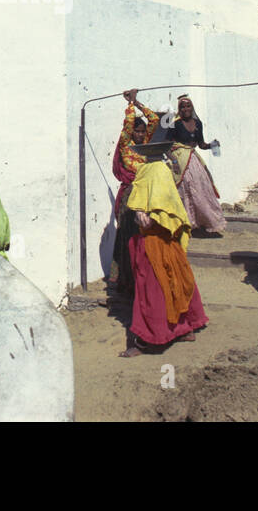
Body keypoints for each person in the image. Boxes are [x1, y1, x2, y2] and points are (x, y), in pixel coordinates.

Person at [120, 154, 208, 357]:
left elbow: (146, 223)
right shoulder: (168, 189)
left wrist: (139, 213)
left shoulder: (151, 181)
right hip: (171, 248)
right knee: (177, 285)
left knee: (152, 293)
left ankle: (147, 340)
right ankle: (185, 329)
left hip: (152, 248)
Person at [108, 89, 159, 291]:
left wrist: (137, 102)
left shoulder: (145, 146)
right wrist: (129, 104)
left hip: (144, 196)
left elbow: (154, 119)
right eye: (137, 131)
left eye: (142, 131)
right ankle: (124, 280)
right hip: (129, 197)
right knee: (127, 236)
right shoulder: (126, 146)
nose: (139, 134)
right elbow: (128, 124)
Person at [166, 95, 226, 235]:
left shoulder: (198, 123)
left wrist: (212, 145)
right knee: (185, 189)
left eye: (188, 106)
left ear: (192, 108)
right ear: (179, 109)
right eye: (183, 107)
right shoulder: (175, 124)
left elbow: (201, 144)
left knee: (201, 189)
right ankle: (186, 223)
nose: (186, 109)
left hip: (193, 159)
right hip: (181, 160)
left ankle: (202, 222)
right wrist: (174, 161)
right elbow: (166, 145)